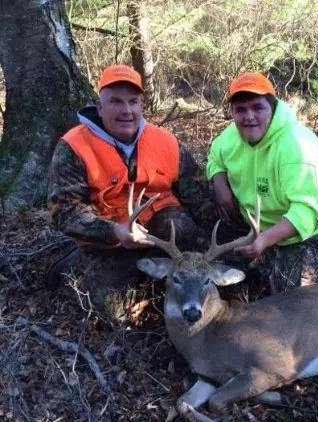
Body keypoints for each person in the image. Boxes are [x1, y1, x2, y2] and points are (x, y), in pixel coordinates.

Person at [47, 64, 203, 321]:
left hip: (160, 234)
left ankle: (155, 286)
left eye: (133, 102)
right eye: (116, 102)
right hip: (108, 240)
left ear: (142, 105)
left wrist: (214, 246)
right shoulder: (73, 147)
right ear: (99, 107)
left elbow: (199, 196)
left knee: (183, 229)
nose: (127, 111)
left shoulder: (166, 143)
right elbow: (63, 211)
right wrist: (113, 231)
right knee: (117, 313)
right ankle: (73, 266)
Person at [206, 72, 318, 294]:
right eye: (240, 110)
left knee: (294, 298)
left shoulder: (297, 147)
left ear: (273, 107)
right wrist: (221, 185)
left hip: (313, 233)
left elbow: (307, 211)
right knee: (216, 271)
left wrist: (265, 240)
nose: (248, 116)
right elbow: (215, 156)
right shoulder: (232, 136)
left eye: (257, 107)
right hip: (257, 225)